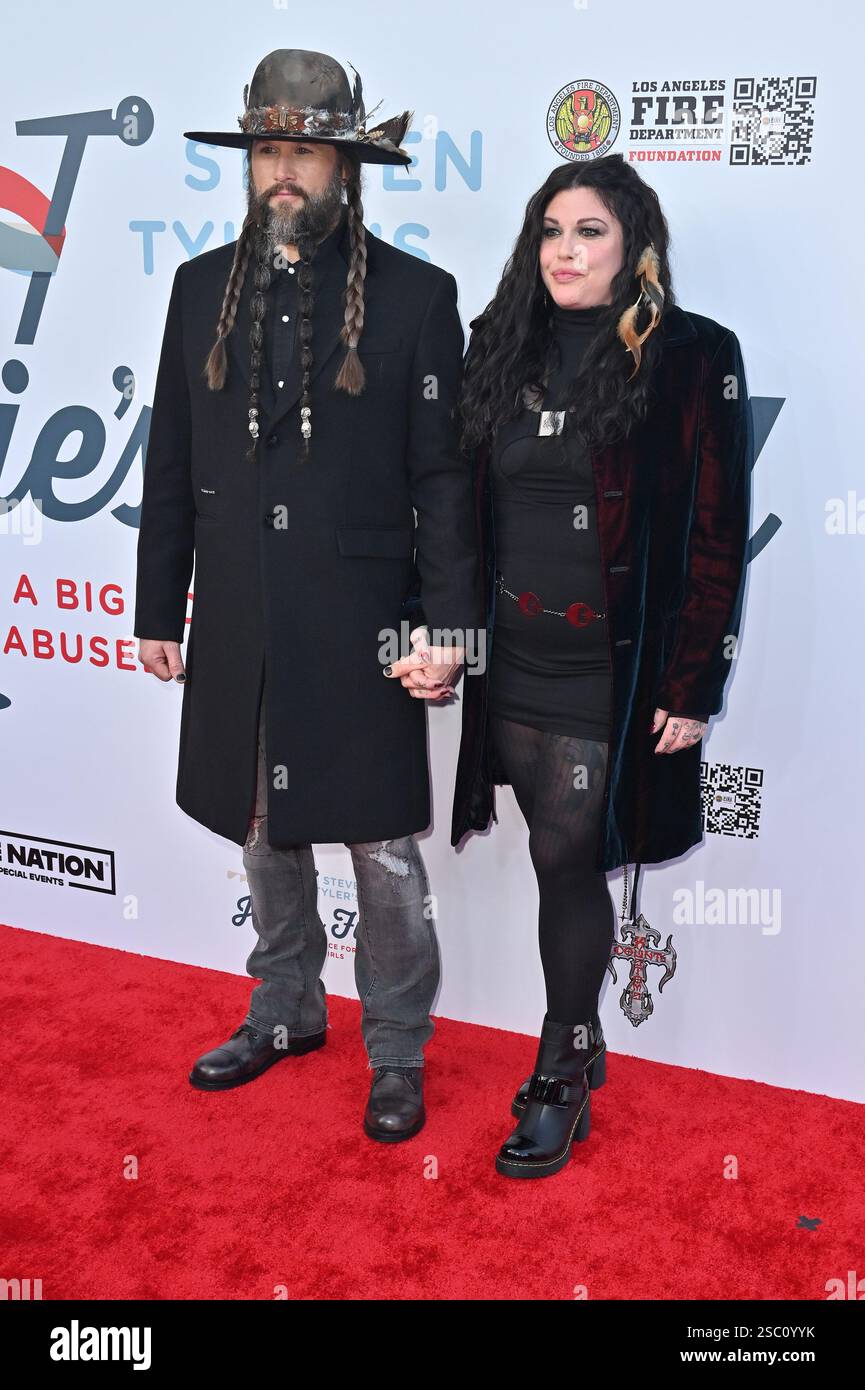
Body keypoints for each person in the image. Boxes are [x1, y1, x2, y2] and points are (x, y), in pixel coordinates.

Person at [134, 49, 479, 1142]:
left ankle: (396, 1050)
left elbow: (445, 484)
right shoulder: (197, 290)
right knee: (258, 822)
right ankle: (283, 1009)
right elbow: (171, 455)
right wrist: (158, 606)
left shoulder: (419, 298)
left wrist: (448, 629)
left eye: (306, 153)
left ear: (347, 167)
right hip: (238, 607)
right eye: (268, 151)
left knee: (378, 845)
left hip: (367, 623)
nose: (284, 172)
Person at [451, 154, 753, 1178]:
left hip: (609, 671)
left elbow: (716, 531)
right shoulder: (498, 344)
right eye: (549, 230)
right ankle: (578, 1042)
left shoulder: (690, 356)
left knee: (563, 859)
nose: (564, 252)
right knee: (553, 850)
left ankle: (563, 1061)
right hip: (517, 660)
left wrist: (692, 681)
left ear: (634, 249)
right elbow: (458, 507)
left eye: (588, 232)